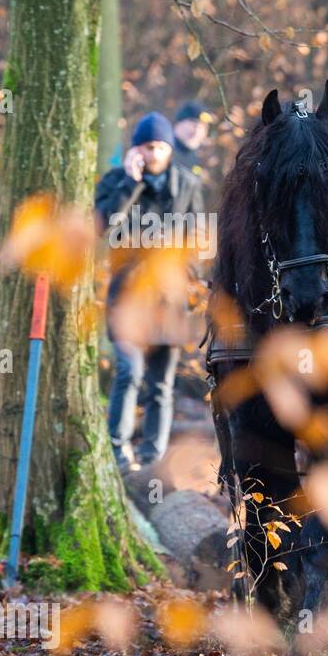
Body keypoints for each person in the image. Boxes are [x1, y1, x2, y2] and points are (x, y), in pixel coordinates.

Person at [95, 111, 205, 471]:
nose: (152, 154)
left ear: (170, 149)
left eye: (158, 147)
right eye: (145, 147)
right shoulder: (115, 181)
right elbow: (105, 227)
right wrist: (130, 183)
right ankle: (118, 451)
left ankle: (153, 457)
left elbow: (196, 242)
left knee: (161, 384)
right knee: (129, 372)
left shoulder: (187, 185)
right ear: (134, 150)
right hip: (126, 298)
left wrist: (188, 280)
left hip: (169, 301)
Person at [171, 100, 213, 178]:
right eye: (194, 124)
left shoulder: (200, 159)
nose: (196, 132)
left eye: (202, 127)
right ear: (178, 123)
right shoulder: (164, 150)